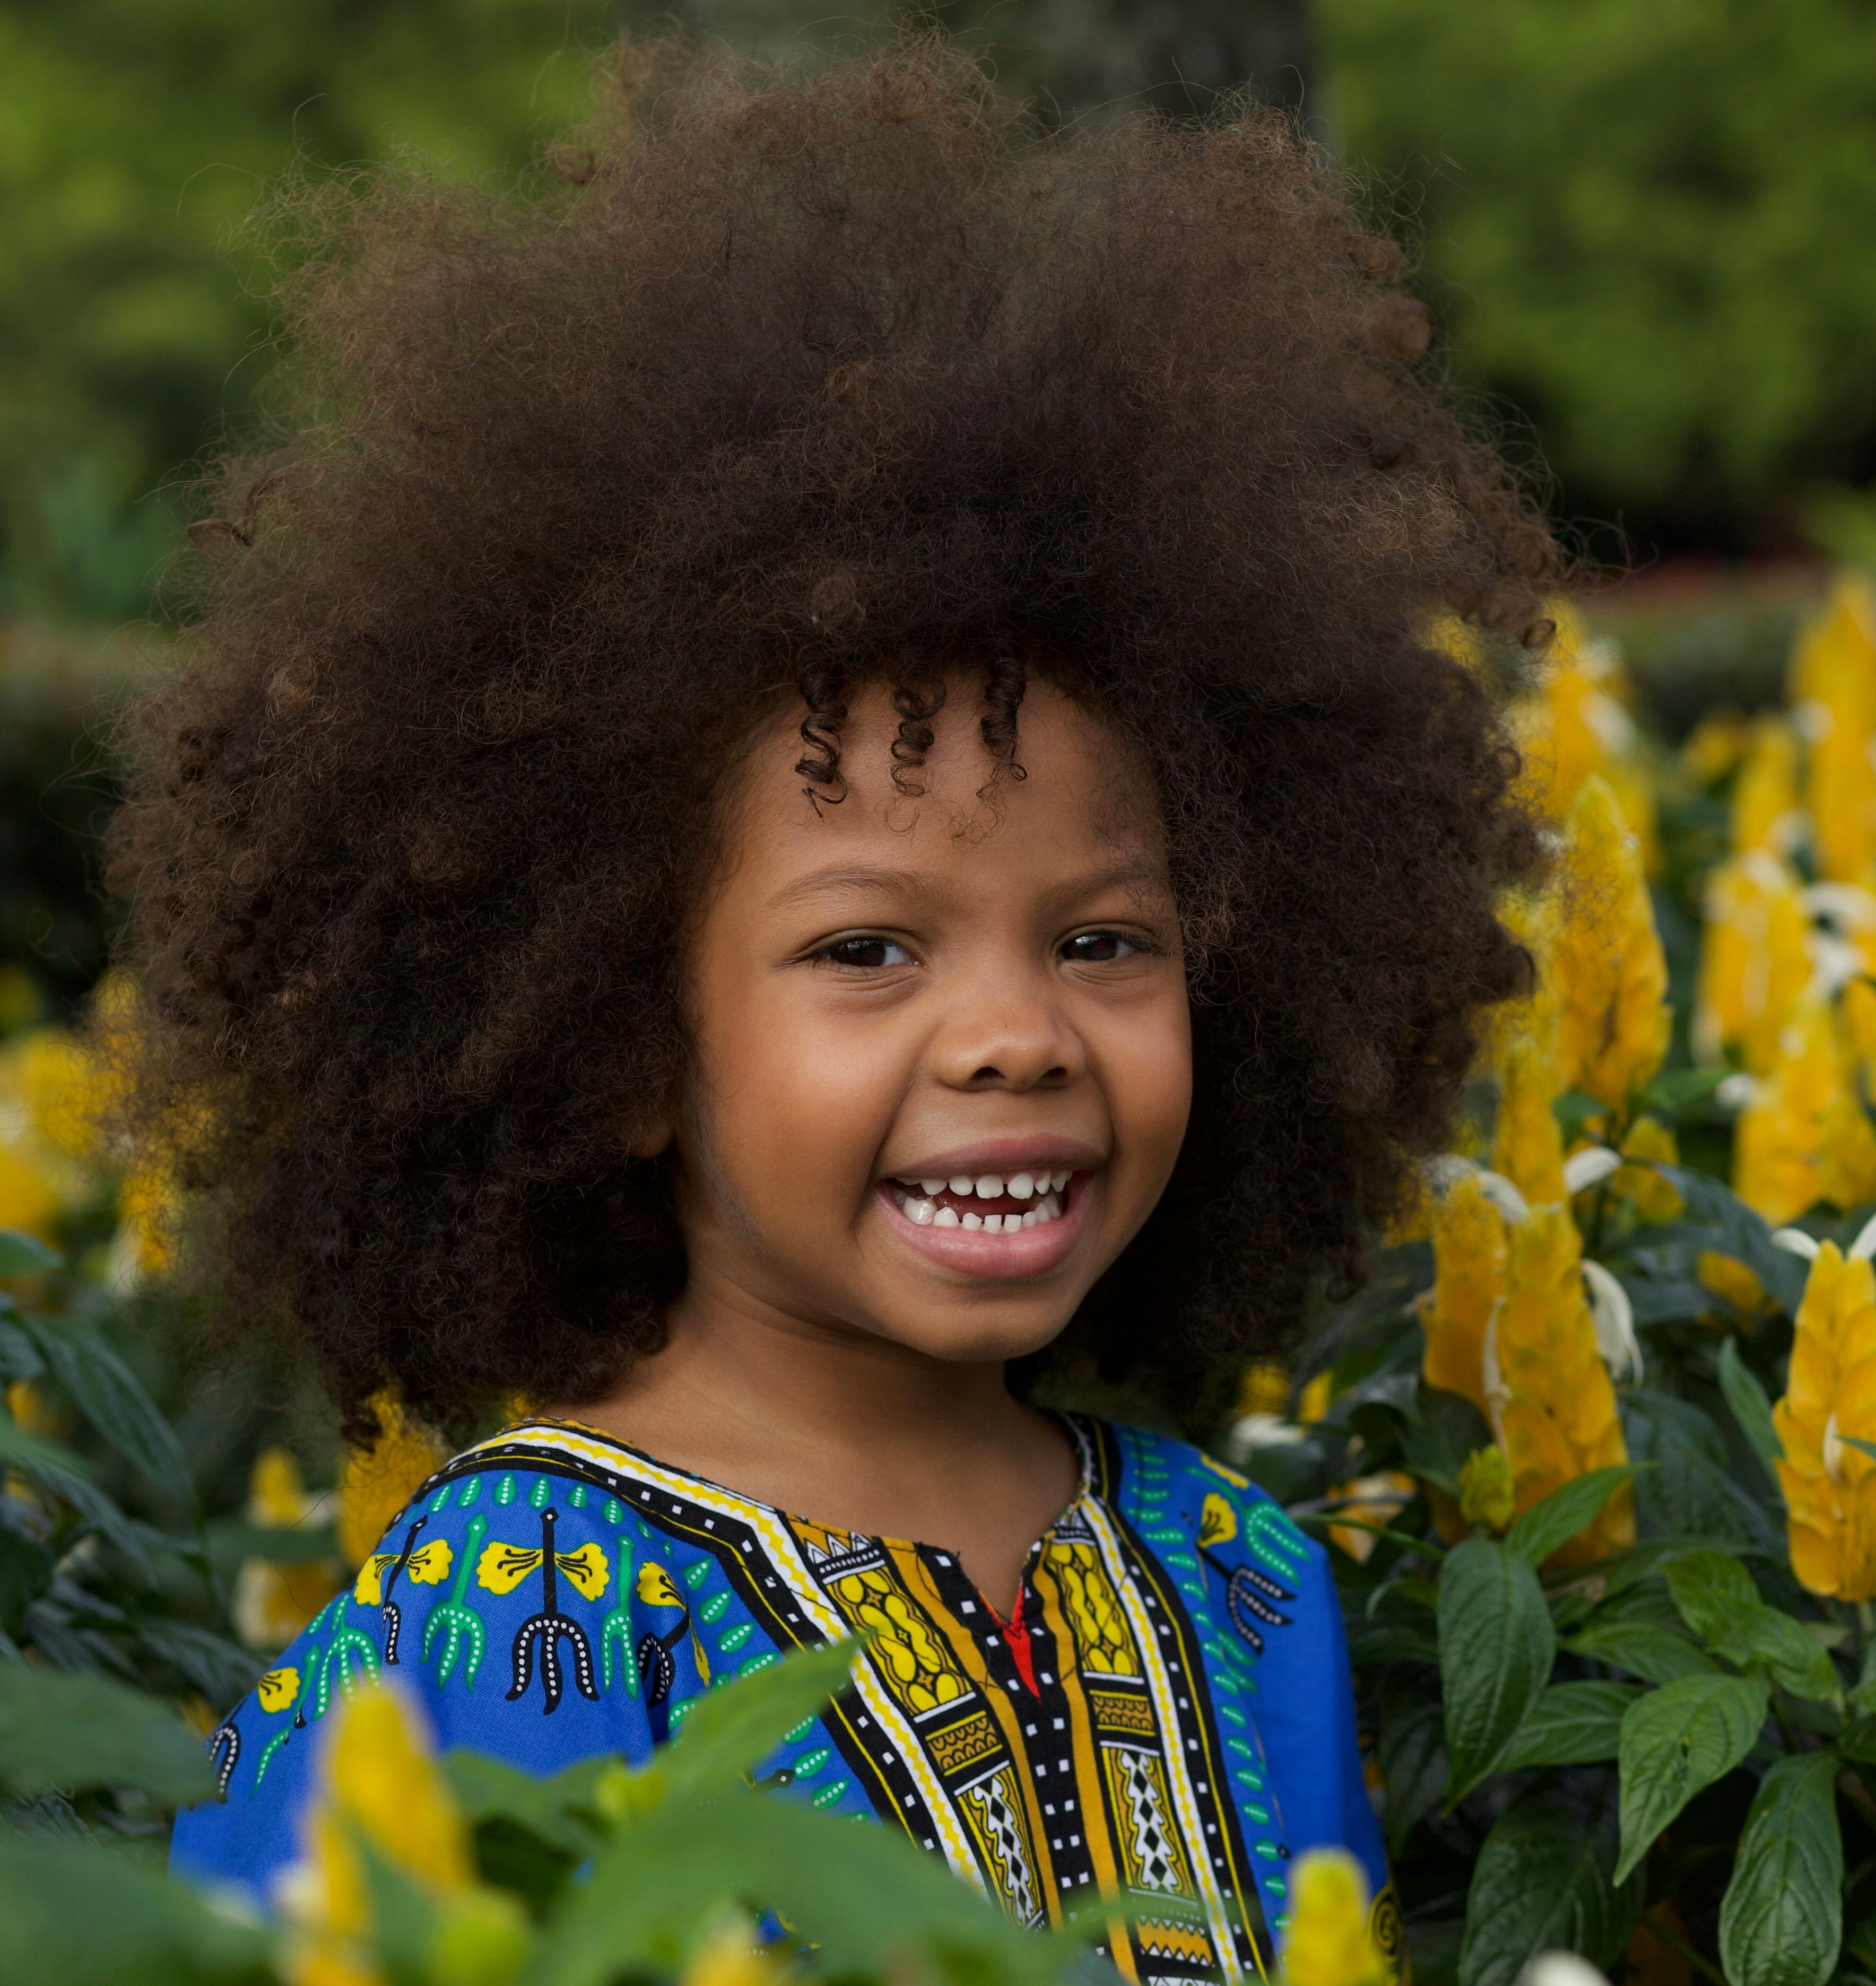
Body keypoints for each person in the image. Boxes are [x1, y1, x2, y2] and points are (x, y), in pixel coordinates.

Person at [138, 40, 1552, 1981]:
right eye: (870, 949)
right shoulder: (506, 1604)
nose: (1015, 1036)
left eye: (1105, 940)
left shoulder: (1245, 1584)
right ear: (622, 1039)